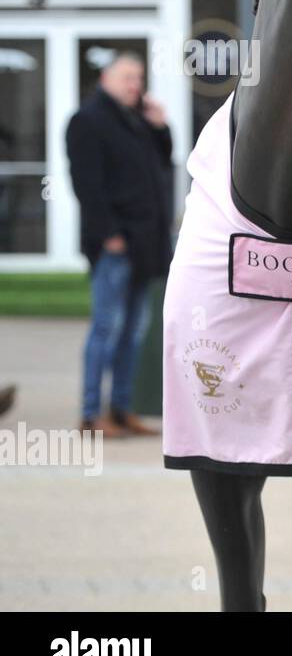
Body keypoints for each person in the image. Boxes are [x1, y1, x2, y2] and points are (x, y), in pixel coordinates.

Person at [66, 52, 173, 438]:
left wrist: (161, 128)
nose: (135, 85)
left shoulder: (136, 120)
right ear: (106, 78)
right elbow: (86, 185)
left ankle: (122, 409)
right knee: (107, 329)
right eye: (127, 77)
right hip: (114, 246)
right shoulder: (88, 121)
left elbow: (161, 167)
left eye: (139, 78)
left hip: (144, 245)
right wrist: (108, 234)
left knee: (134, 331)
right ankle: (91, 415)